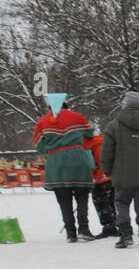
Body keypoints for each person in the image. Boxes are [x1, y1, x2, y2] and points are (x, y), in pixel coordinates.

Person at [100, 91, 139, 249]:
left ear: (125, 104)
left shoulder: (113, 125)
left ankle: (126, 234)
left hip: (121, 172)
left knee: (121, 202)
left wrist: (106, 169)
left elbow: (107, 150)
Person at [32, 101, 96, 242]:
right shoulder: (78, 117)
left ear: (49, 107)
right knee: (82, 197)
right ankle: (84, 230)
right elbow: (90, 134)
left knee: (64, 200)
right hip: (78, 159)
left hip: (56, 163)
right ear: (66, 106)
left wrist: (52, 148)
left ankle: (71, 233)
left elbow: (39, 145)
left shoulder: (43, 121)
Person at [82, 131, 118, 239]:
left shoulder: (88, 145)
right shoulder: (103, 140)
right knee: (112, 201)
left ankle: (109, 227)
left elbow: (92, 163)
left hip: (100, 178)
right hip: (113, 176)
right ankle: (117, 224)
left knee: (101, 202)